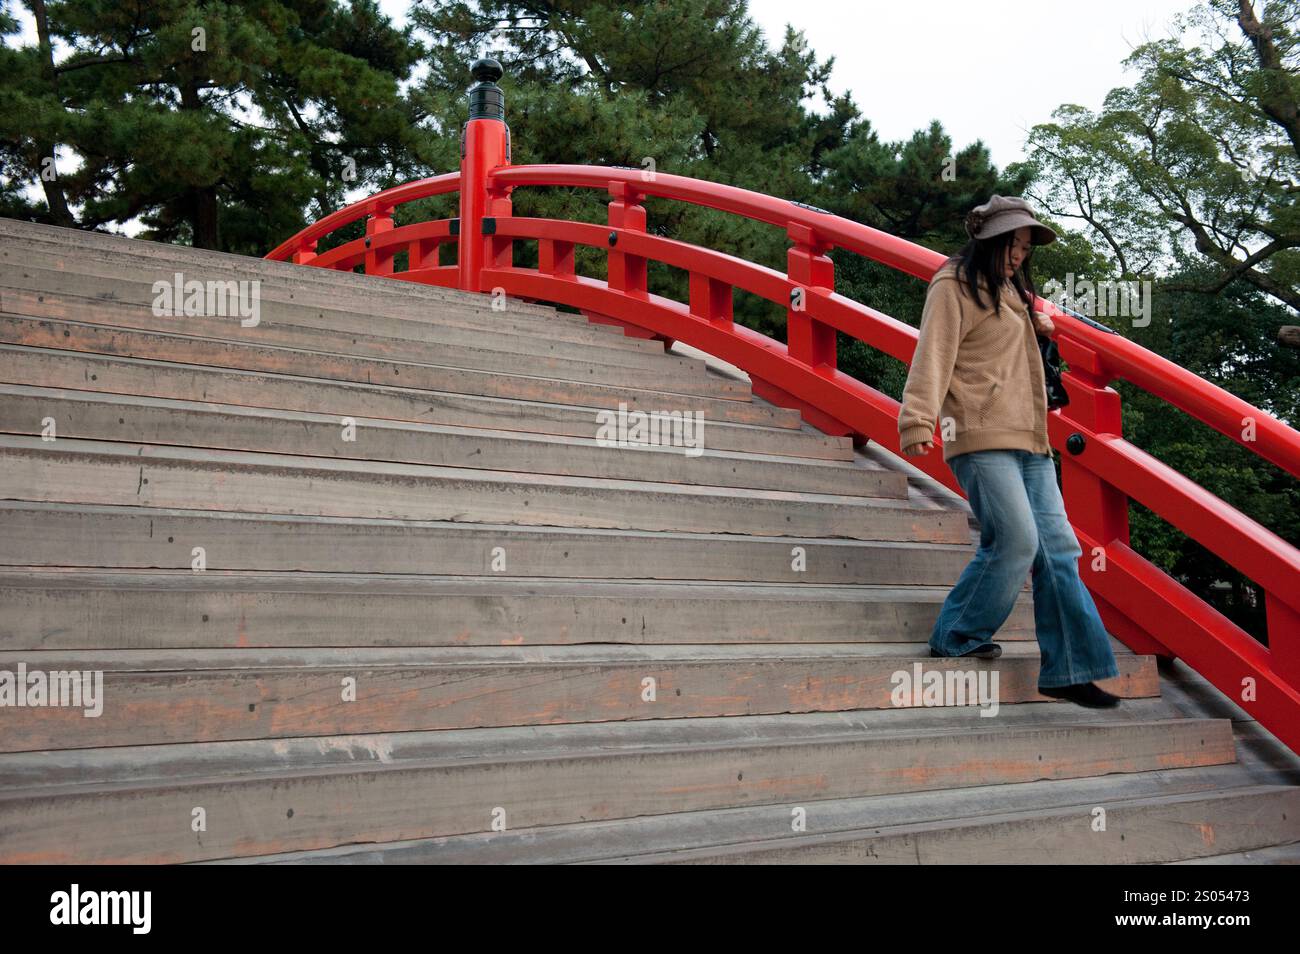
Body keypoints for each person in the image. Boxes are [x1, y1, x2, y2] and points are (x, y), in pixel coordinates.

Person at [897, 194, 1122, 709]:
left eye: (1025, 246)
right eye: (1013, 243)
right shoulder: (953, 283)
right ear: (990, 239)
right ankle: (956, 635)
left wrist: (1038, 331)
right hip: (978, 434)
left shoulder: (1015, 292)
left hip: (1031, 440)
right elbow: (933, 352)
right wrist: (916, 419)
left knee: (1059, 549)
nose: (1020, 254)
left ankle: (1070, 669)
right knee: (1017, 540)